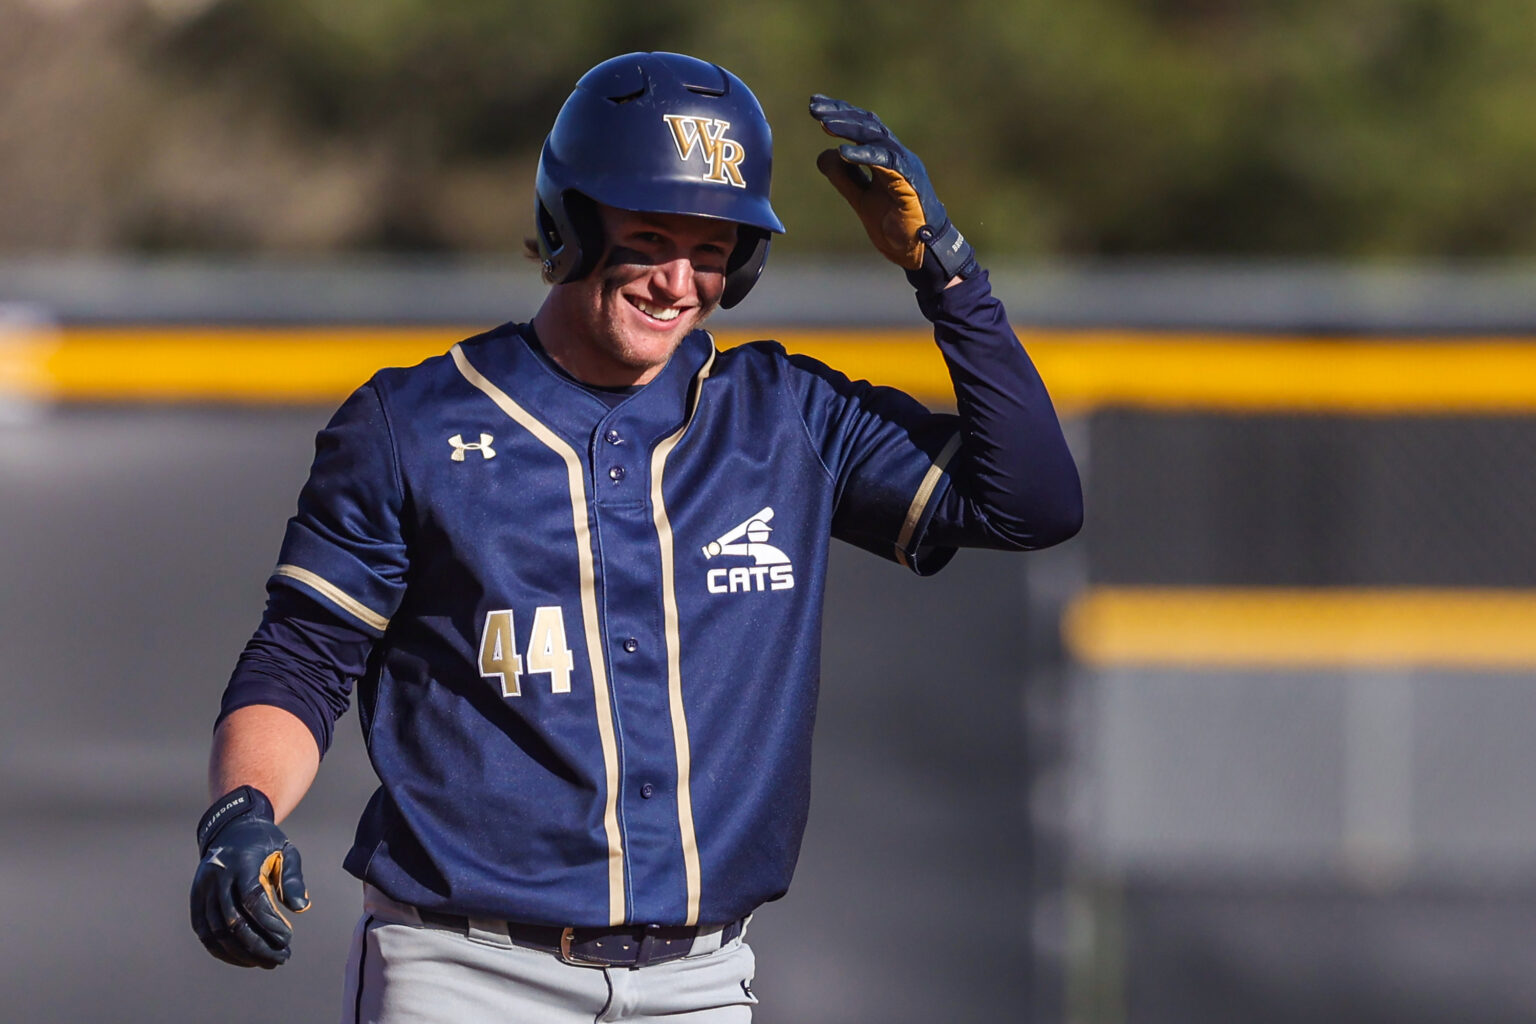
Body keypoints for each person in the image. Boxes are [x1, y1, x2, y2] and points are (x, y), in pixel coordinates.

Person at [189, 51, 1082, 1023]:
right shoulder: (415, 422)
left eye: (712, 248)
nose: (676, 279)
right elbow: (303, 657)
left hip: (700, 980)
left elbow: (1031, 503)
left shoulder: (786, 415)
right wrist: (244, 813)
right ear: (569, 226)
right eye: (648, 236)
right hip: (465, 970)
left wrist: (943, 269)